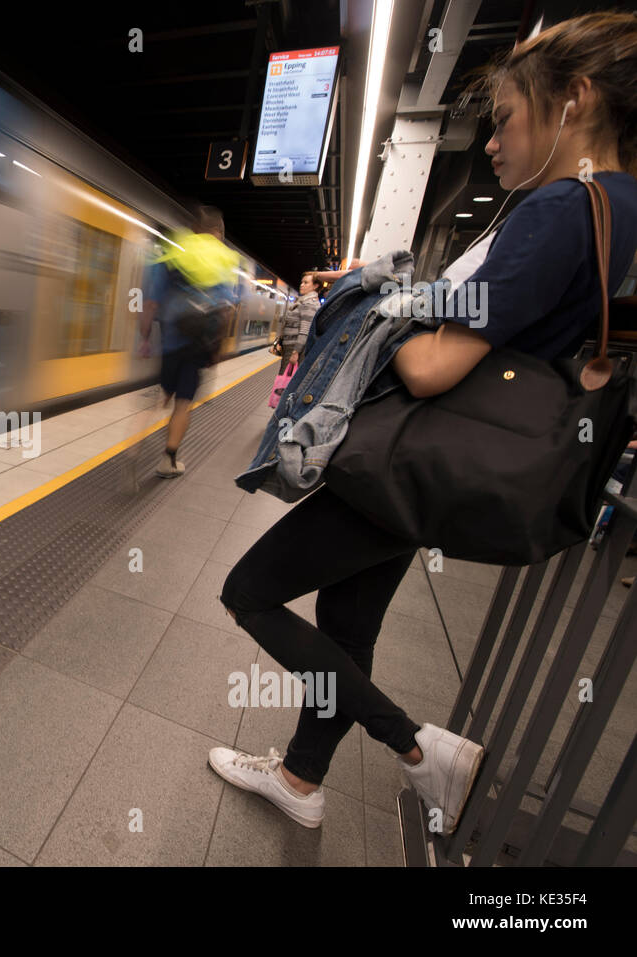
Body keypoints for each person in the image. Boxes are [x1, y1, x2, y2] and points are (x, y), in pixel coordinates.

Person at [210, 10, 637, 833]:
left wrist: (387, 304)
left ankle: (417, 749)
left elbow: (431, 363)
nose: (489, 142)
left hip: (406, 459)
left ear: (575, 101)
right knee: (348, 624)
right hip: (441, 469)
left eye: (506, 117)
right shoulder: (621, 212)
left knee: (247, 592)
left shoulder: (559, 210)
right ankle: (301, 779)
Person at [137, 205, 240, 477]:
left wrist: (145, 338)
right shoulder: (225, 259)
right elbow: (228, 309)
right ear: (218, 231)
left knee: (161, 395)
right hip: (198, 345)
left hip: (170, 341)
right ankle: (168, 460)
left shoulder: (174, 252)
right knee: (183, 403)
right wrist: (218, 349)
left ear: (196, 229)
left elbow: (150, 304)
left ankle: (133, 445)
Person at [270, 272, 321, 373]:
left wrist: (295, 352)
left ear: (315, 286)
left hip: (294, 348)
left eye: (306, 283)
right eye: (302, 282)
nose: (302, 285)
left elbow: (305, 330)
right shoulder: (303, 301)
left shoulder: (309, 304)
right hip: (290, 346)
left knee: (286, 380)